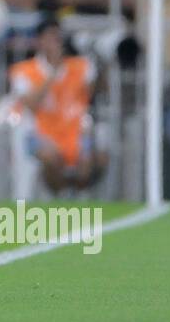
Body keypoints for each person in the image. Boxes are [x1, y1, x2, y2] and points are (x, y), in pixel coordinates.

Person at [9, 17, 108, 193]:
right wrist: (53, 73)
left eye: (58, 37)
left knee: (94, 159)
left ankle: (74, 193)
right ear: (39, 41)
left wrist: (101, 60)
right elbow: (31, 104)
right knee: (51, 157)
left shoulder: (79, 66)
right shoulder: (24, 70)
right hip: (39, 132)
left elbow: (98, 90)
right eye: (50, 37)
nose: (55, 42)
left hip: (74, 130)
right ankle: (59, 193)